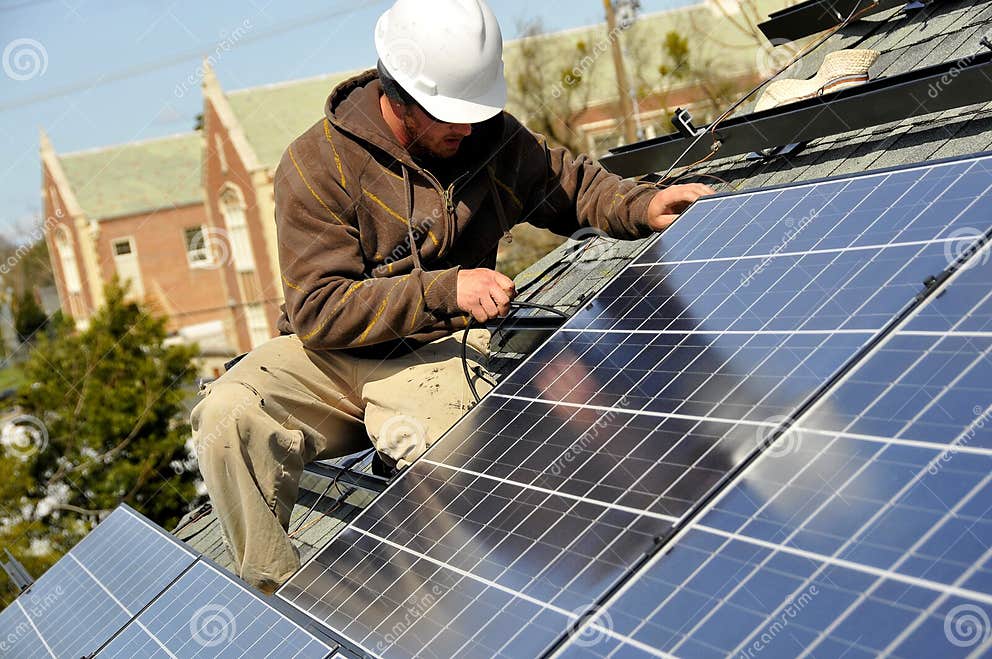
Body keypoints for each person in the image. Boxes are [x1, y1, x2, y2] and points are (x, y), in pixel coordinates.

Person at [192, 0, 713, 594]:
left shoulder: (488, 139)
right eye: (447, 115)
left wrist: (642, 204)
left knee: (453, 454)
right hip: (330, 356)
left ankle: (459, 612)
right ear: (397, 93)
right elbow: (318, 310)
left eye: (474, 113)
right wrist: (446, 288)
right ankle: (281, 598)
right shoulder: (315, 164)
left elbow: (569, 185)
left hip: (434, 354)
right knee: (225, 415)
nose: (464, 129)